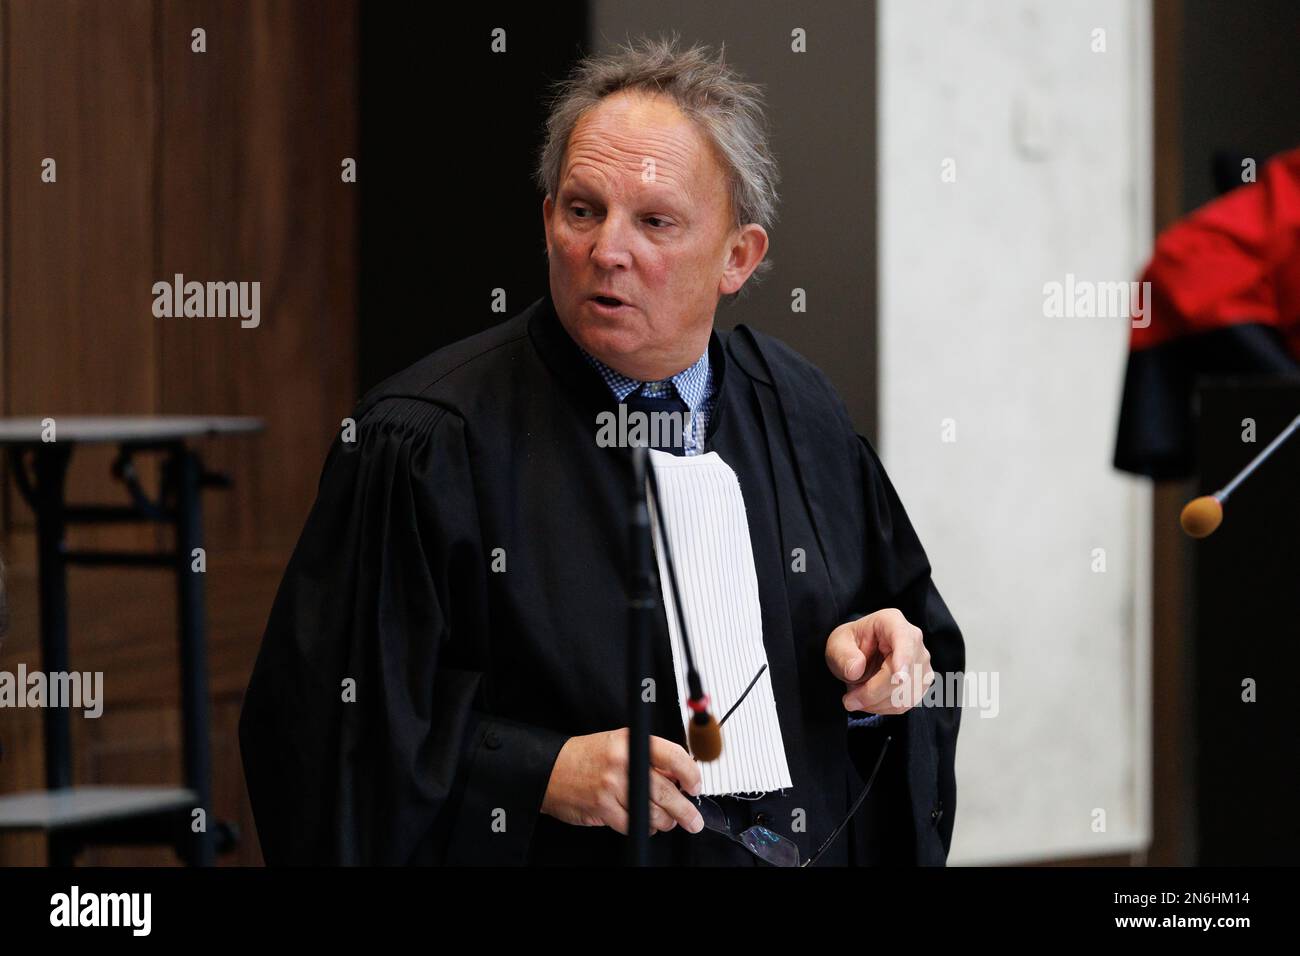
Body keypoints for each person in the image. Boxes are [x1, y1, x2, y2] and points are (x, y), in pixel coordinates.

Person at [239, 36, 964, 866]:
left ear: (739, 257)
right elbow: (319, 730)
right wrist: (539, 772)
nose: (606, 250)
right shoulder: (424, 444)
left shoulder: (800, 413)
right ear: (547, 219)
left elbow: (914, 638)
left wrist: (881, 671)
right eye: (582, 210)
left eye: (654, 222)